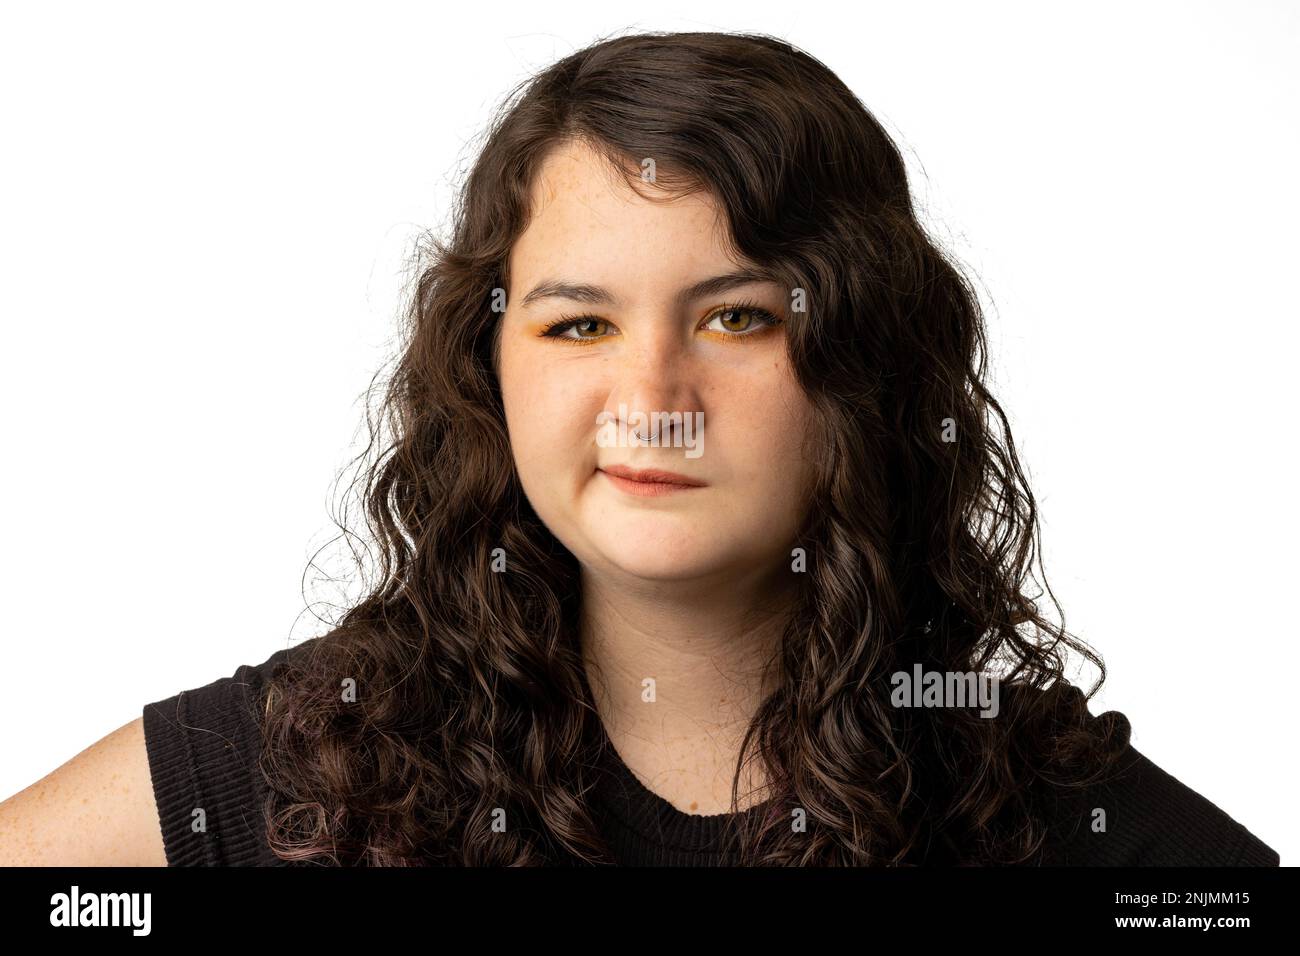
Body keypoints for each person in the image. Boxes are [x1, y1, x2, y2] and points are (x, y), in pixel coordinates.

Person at [0, 30, 1279, 867]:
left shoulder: (1070, 826)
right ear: (489, 365)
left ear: (868, 360)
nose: (651, 394)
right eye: (579, 322)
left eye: (736, 316)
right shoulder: (321, 754)